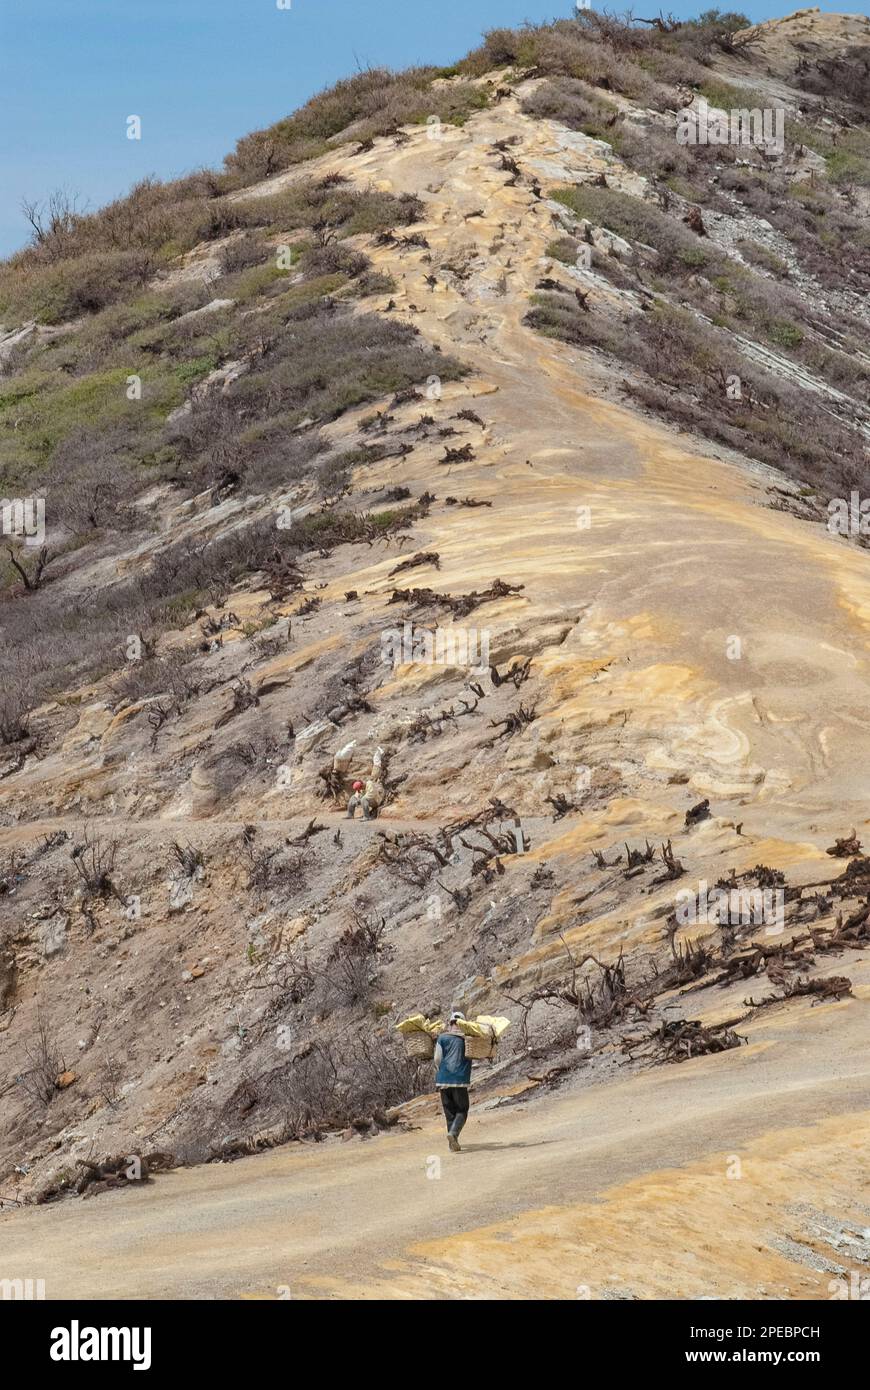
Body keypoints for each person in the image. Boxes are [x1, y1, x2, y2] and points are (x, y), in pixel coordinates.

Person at [434, 1010, 472, 1152]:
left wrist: (441, 1071)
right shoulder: (468, 1039)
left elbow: (437, 1059)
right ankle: (453, 1134)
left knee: (450, 1112)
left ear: (450, 1024)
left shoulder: (442, 1038)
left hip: (443, 1080)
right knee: (462, 1110)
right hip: (460, 1080)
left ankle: (452, 1143)